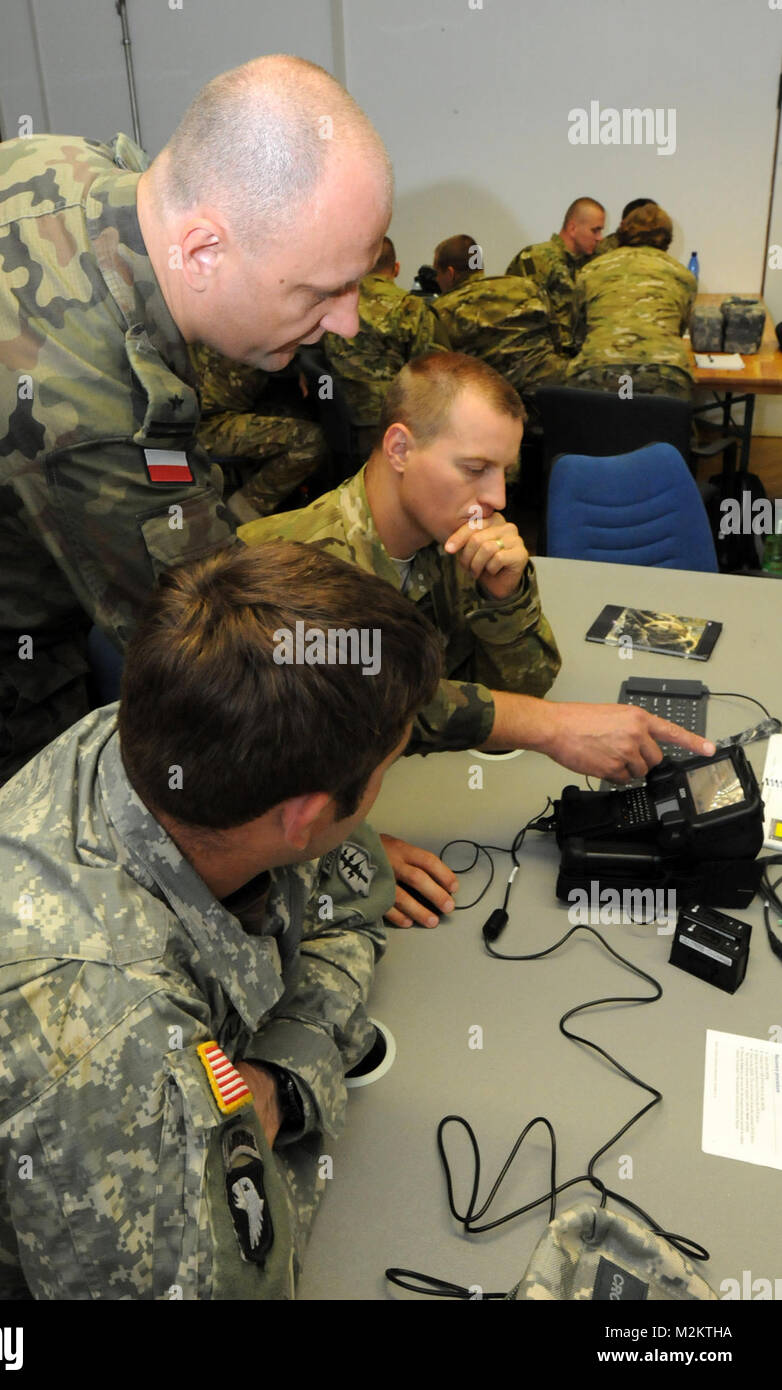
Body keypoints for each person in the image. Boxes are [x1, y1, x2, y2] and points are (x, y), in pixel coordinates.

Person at [0, 542, 443, 1300]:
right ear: (305, 817)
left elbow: (349, 905)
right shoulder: (106, 1037)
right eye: (386, 772)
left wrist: (280, 1073)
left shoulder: (177, 737)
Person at [0, 55, 392, 870]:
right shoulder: (84, 410)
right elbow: (242, 659)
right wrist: (339, 831)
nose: (350, 323)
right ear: (203, 249)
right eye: (320, 293)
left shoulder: (47, 167)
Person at [239, 352, 715, 927]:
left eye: (504, 473)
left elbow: (525, 683)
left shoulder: (447, 537)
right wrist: (340, 845)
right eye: (474, 468)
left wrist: (504, 594)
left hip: (421, 787)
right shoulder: (291, 576)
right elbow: (384, 709)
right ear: (399, 450)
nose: (497, 499)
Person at [322, 234, 450, 460]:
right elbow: (436, 372)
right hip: (394, 429)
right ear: (397, 268)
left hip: (334, 424)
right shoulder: (410, 306)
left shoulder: (330, 304)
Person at [565, 203, 697, 400]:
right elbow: (678, 329)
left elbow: (577, 335)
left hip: (595, 372)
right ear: (667, 239)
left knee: (599, 428)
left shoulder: (591, 271)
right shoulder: (683, 276)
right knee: (662, 429)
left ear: (623, 232)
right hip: (666, 375)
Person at [188, 342, 329, 520]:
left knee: (290, 410)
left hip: (195, 411)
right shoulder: (259, 332)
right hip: (205, 424)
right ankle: (240, 515)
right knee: (310, 440)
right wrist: (302, 364)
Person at [432, 235, 568, 405]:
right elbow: (557, 340)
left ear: (450, 273)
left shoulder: (442, 309)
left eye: (437, 273)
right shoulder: (527, 287)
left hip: (493, 404)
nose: (436, 279)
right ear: (478, 266)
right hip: (549, 397)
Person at [506, 197, 606, 353]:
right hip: (543, 360)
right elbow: (520, 318)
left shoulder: (590, 266)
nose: (600, 237)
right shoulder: (537, 258)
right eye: (595, 230)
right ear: (573, 228)